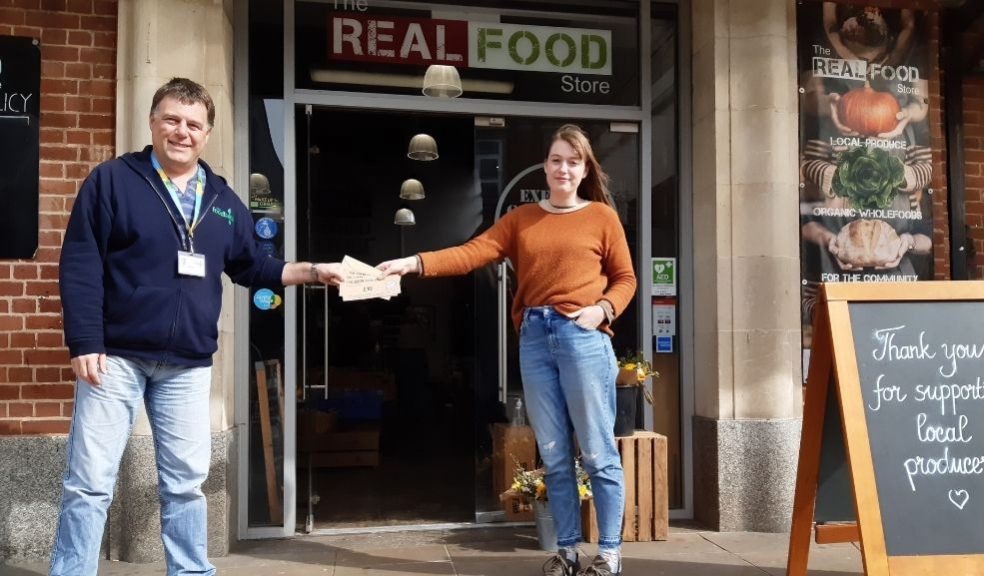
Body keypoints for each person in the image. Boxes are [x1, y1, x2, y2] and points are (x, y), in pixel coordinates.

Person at [50, 77, 344, 576]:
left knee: (186, 482)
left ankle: (190, 571)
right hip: (114, 357)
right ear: (152, 122)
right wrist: (84, 341)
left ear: (207, 133)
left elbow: (256, 267)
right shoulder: (112, 181)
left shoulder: (224, 200)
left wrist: (316, 272)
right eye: (171, 120)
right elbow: (81, 263)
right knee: (90, 481)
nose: (181, 132)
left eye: (193, 124)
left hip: (186, 365)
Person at [378, 124, 637, 576]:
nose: (563, 168)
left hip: (583, 336)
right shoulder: (521, 219)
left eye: (573, 161)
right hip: (536, 338)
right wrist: (413, 263)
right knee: (554, 453)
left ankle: (610, 555)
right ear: (545, 166)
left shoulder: (601, 217)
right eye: (556, 160)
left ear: (584, 168)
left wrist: (602, 310)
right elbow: (472, 252)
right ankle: (569, 552)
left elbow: (626, 279)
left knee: (597, 452)